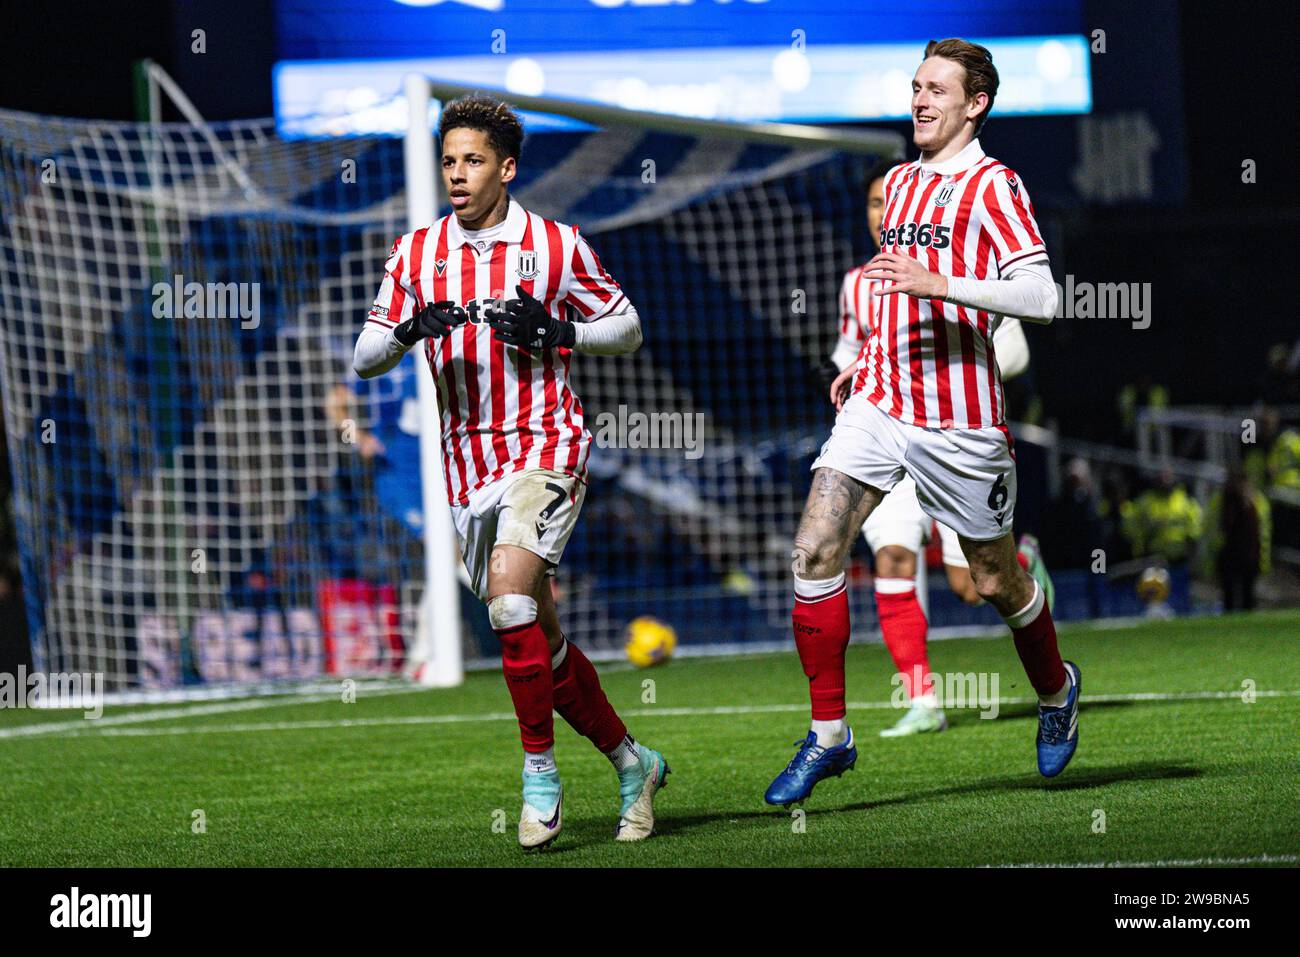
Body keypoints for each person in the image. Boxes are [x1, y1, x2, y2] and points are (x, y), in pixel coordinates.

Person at [765, 38, 1079, 808]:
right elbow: (900, 294)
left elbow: (1044, 298)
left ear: (975, 104)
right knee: (813, 549)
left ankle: (1056, 685)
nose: (920, 99)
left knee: (995, 581)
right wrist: (866, 353)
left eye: (938, 89)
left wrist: (942, 281)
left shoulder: (994, 185)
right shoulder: (900, 182)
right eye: (915, 86)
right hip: (878, 401)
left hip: (960, 421)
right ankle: (830, 736)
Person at [353, 95, 668, 849]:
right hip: (468, 472)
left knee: (508, 596)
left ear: (507, 167)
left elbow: (625, 326)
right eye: (450, 161)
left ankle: (539, 775)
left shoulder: (556, 245)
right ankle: (634, 763)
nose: (457, 175)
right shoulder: (415, 255)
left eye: (473, 161)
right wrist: (404, 333)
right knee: (536, 633)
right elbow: (363, 359)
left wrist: (563, 330)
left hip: (546, 449)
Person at [827, 160, 1054, 737]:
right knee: (892, 556)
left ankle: (1022, 562)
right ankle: (923, 698)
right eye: (874, 205)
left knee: (977, 586)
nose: (883, 213)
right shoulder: (858, 285)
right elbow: (849, 349)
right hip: (889, 434)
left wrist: (948, 378)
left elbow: (1018, 351)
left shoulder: (960, 269)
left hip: (957, 434)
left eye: (889, 202)